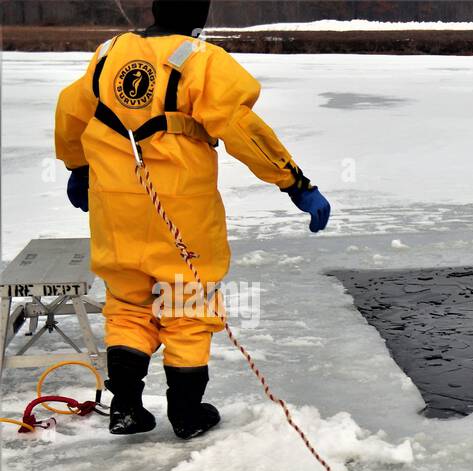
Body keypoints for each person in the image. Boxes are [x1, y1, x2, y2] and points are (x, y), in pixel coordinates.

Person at [54, 0, 331, 439]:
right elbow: (241, 129)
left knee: (127, 305)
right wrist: (294, 182)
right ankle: (185, 413)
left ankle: (126, 408)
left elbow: (71, 109)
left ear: (153, 8)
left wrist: (78, 167)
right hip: (180, 210)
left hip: (116, 207)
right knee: (185, 306)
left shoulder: (109, 54)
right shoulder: (202, 62)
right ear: (200, 17)